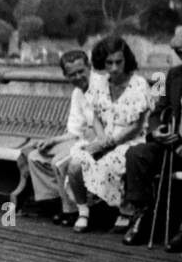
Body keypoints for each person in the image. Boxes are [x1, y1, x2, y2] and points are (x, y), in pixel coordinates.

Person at [122, 25, 182, 251]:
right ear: (180, 57)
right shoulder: (169, 75)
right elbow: (156, 110)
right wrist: (156, 132)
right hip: (173, 144)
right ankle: (141, 217)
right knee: (136, 154)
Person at [64, 35, 150, 234]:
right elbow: (95, 117)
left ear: (126, 60)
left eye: (118, 62)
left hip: (131, 141)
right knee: (76, 164)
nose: (113, 68)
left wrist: (107, 143)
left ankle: (125, 209)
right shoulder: (100, 84)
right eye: (108, 63)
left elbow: (136, 127)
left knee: (113, 162)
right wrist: (102, 140)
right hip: (105, 138)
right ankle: (83, 210)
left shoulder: (139, 84)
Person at [21, 49, 99, 224]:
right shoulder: (77, 93)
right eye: (72, 74)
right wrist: (53, 140)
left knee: (59, 160)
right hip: (82, 138)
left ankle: (72, 210)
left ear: (90, 67)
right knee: (35, 156)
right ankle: (59, 202)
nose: (78, 77)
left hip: (98, 141)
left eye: (81, 71)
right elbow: (74, 130)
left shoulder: (103, 88)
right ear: (66, 76)